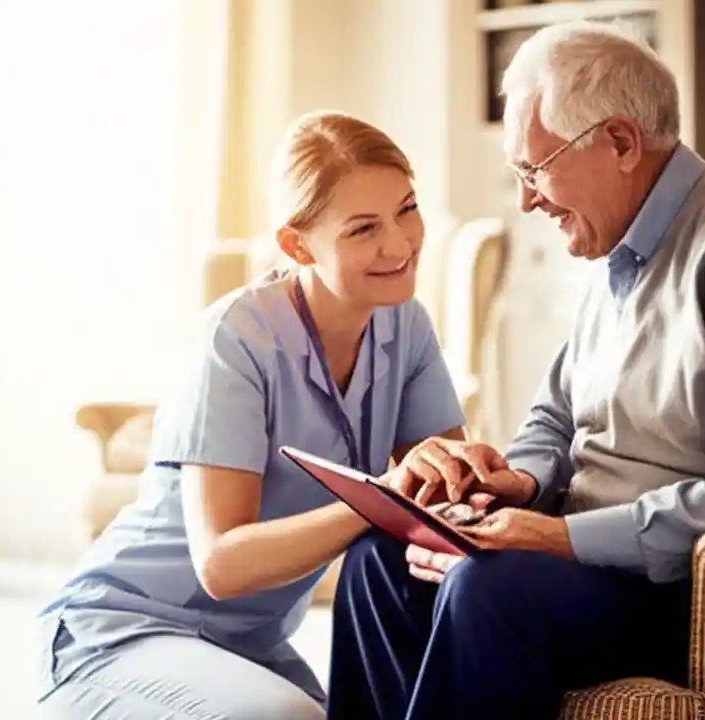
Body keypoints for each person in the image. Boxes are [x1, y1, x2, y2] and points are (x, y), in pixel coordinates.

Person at [327, 20, 705, 720]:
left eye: (534, 168)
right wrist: (516, 481)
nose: (526, 199)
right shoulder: (621, 250)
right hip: (592, 557)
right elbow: (558, 415)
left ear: (619, 142)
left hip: (686, 584)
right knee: (380, 561)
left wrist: (561, 538)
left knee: (489, 592)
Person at [36, 110, 476, 718]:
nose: (399, 245)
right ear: (298, 245)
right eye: (363, 229)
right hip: (122, 633)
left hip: (248, 650)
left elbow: (439, 493)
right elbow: (222, 564)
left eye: (407, 208)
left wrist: (469, 475)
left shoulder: (404, 324)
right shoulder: (236, 338)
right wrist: (374, 498)